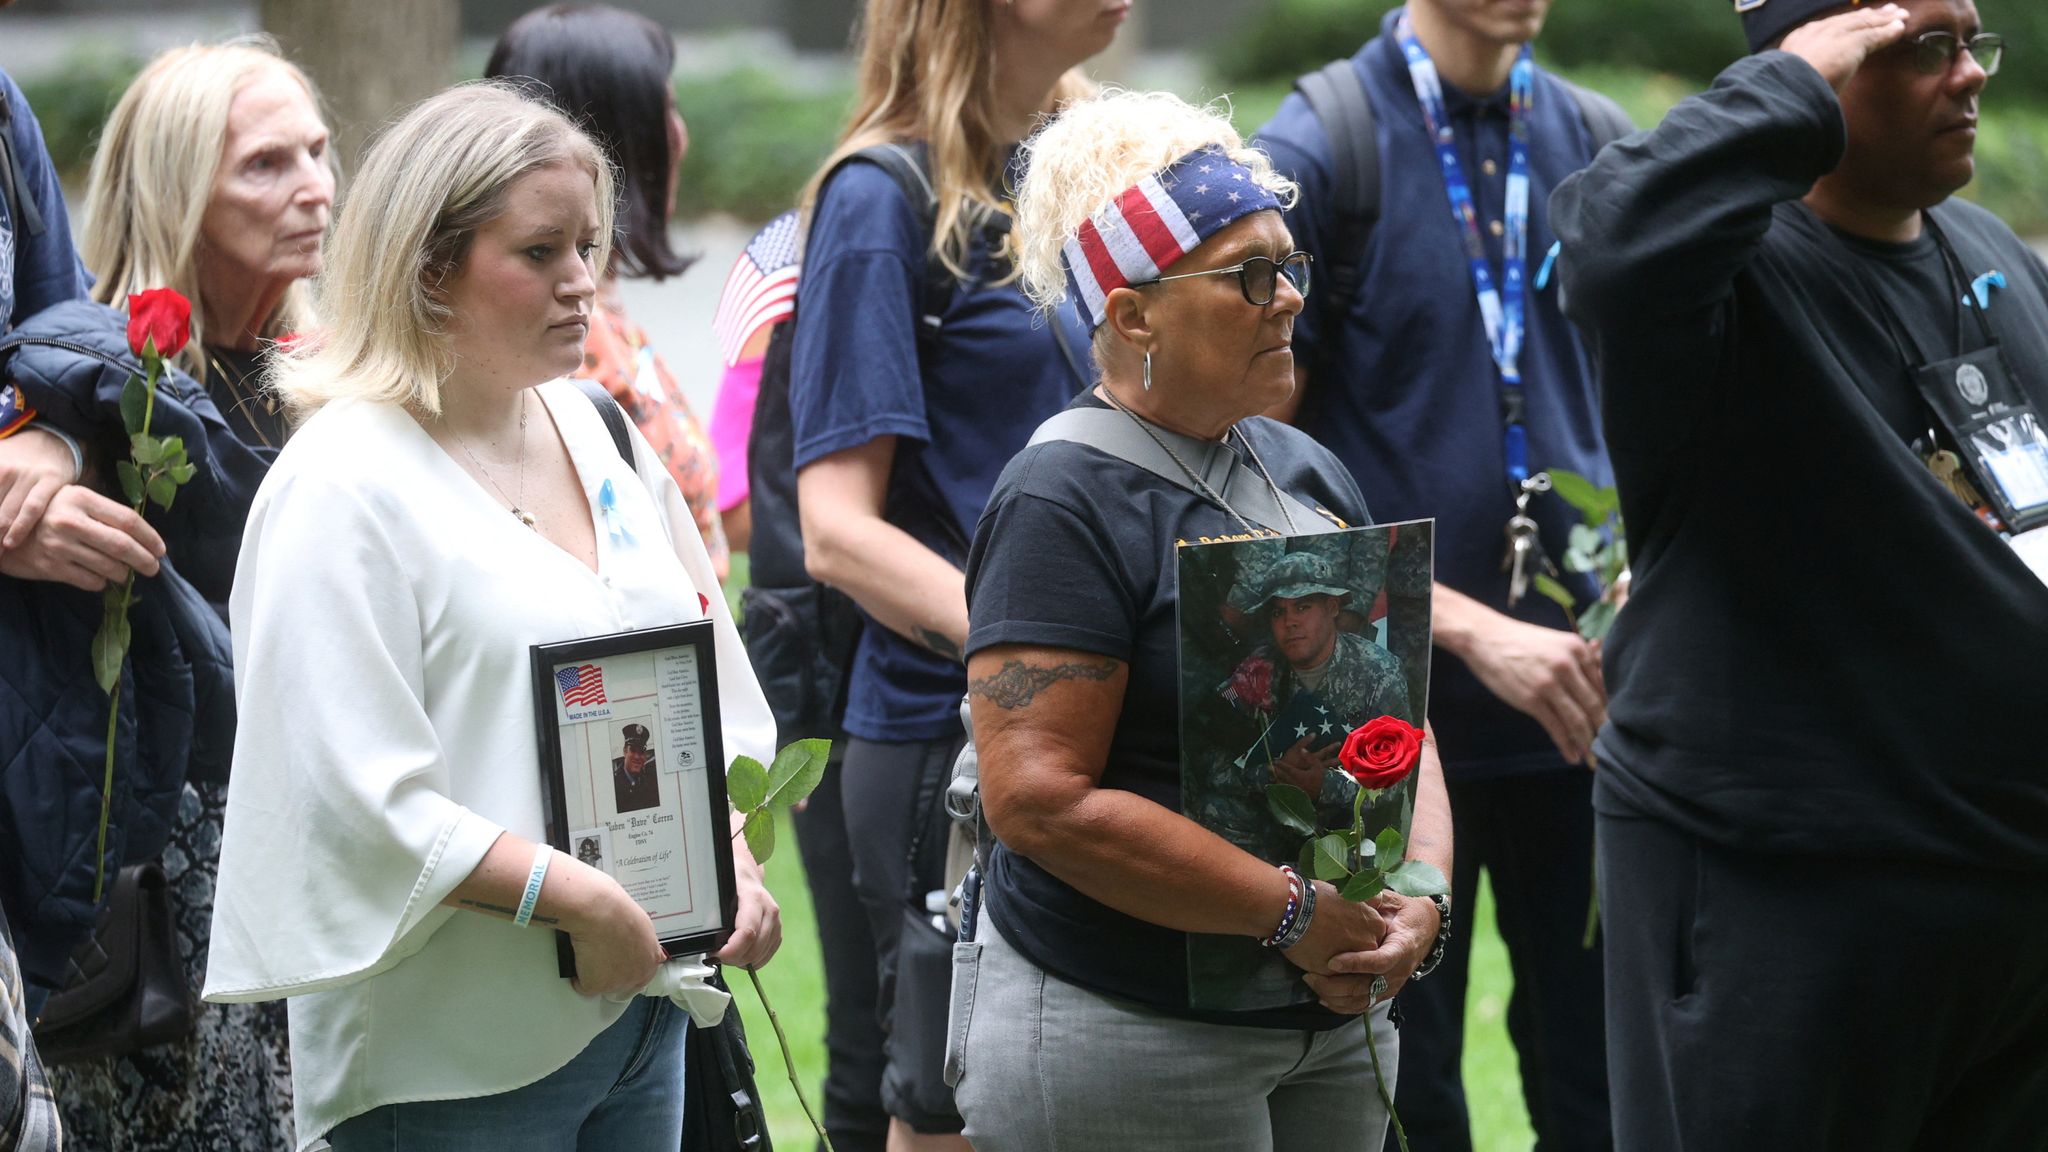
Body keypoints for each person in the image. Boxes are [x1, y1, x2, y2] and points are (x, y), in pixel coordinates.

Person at [202, 83, 781, 1152]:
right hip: (449, 1058)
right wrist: (578, 901)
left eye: (590, 246)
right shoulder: (341, 483)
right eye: (539, 252)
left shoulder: (592, 425)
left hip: (638, 1014)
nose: (582, 284)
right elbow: (350, 793)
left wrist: (726, 857)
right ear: (429, 267)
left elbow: (697, 678)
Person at [1551, 2, 2048, 1147]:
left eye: (1972, 41)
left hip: (1997, 897)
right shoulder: (1721, 283)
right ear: (1815, 68)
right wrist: (1783, 92)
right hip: (1787, 903)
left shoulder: (1986, 256)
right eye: (1923, 48)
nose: (1966, 75)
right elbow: (1608, 238)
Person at [950, 87, 1453, 1152]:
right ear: (1131, 314)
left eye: (1289, 268)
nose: (1286, 302)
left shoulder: (1304, 468)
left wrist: (1421, 897)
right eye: (1247, 276)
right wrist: (1287, 913)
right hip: (1127, 1034)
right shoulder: (1059, 499)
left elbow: (1403, 717)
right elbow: (1035, 799)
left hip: (1328, 1023)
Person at [1254, 1, 1620, 1144]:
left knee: (1602, 1069)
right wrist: (1457, 625)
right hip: (1385, 715)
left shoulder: (1597, 138)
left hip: (1584, 698)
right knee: (1404, 1086)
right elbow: (1252, 466)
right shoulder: (1322, 145)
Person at [787, 1, 1122, 1145]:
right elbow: (835, 528)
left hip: (1116, 727)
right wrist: (1044, 652)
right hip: (952, 739)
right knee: (955, 1115)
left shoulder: (1091, 171)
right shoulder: (880, 198)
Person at [0, 37, 330, 1150]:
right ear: (180, 187)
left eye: (320, 153)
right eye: (265, 164)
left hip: (316, 851)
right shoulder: (108, 396)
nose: (314, 188)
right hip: (156, 886)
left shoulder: (339, 381)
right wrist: (56, 437)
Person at [485, 2, 730, 580]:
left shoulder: (601, 315)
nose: (681, 137)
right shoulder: (560, 333)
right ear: (611, 134)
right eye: (661, 111)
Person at [611, 723, 661, 813]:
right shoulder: (613, 785)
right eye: (633, 750)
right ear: (625, 751)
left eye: (641, 751)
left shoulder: (649, 781)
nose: (637, 757)